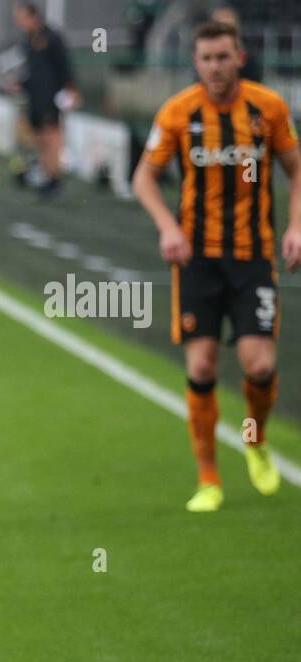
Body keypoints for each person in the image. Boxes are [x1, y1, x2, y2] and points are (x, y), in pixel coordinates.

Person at [131, 19, 301, 512]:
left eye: (223, 57)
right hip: (197, 261)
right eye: (205, 58)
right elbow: (144, 178)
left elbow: (294, 167)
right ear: (195, 62)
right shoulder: (179, 112)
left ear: (239, 57)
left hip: (252, 258)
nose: (214, 67)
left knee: (260, 364)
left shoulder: (267, 108)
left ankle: (255, 438)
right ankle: (209, 478)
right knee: (203, 366)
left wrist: (295, 227)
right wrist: (167, 226)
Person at [12, 2, 79, 200]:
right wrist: (20, 84)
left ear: (33, 17)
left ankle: (55, 180)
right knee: (40, 139)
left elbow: (64, 66)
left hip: (50, 98)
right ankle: (47, 176)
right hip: (35, 98)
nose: (20, 23)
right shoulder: (27, 41)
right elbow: (31, 72)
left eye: (22, 18)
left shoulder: (52, 37)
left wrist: (71, 90)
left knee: (52, 138)